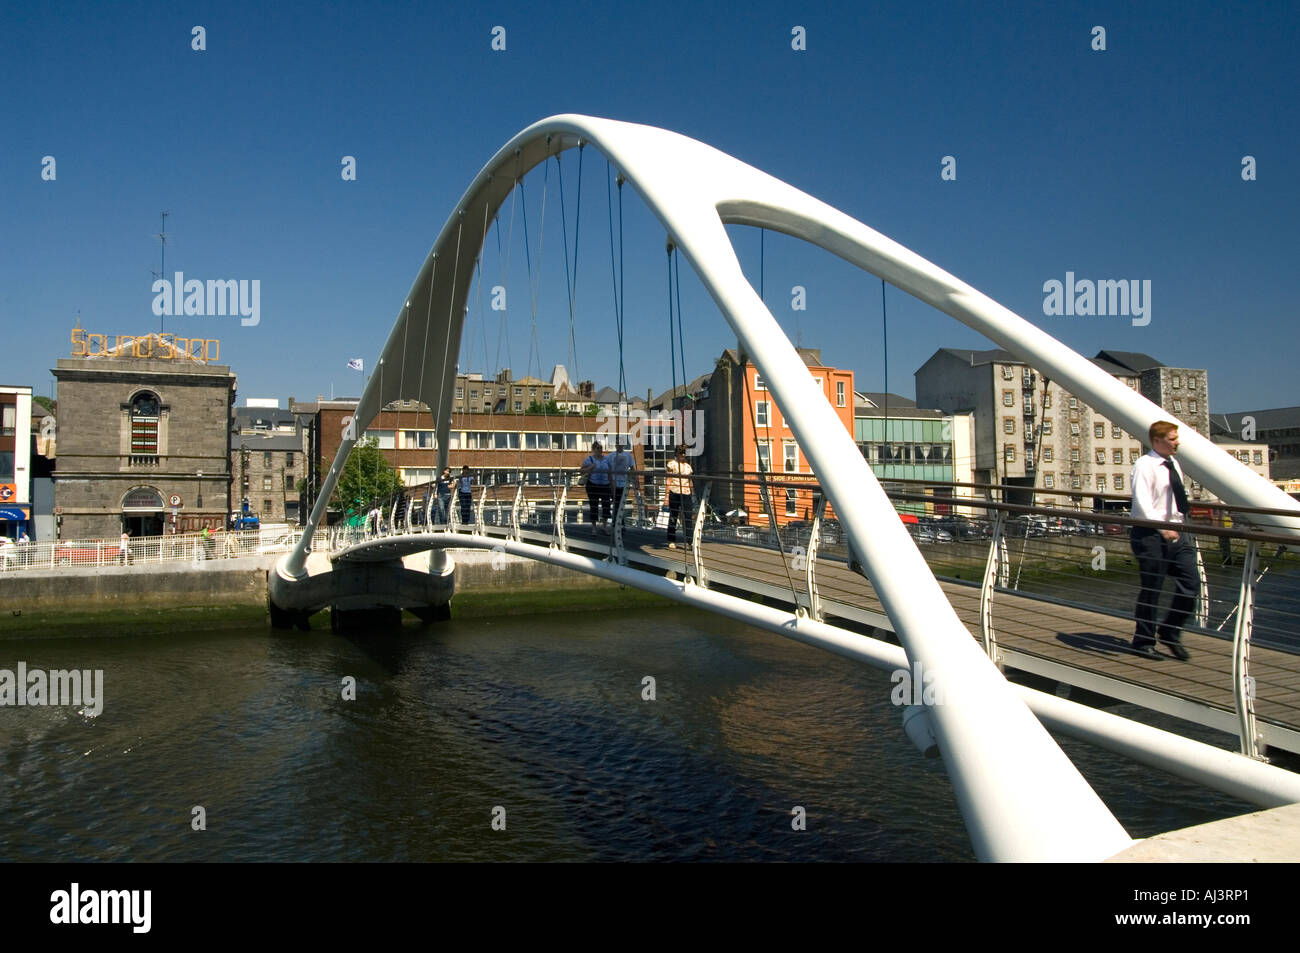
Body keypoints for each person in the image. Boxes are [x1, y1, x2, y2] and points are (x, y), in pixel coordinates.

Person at [1129, 421, 1197, 661]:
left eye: (1176, 438)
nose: (1177, 442)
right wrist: (1163, 528)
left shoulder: (1173, 464)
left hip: (1177, 534)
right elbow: (1142, 503)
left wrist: (1177, 525)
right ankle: (1142, 641)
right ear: (1157, 441)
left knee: (1191, 584)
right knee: (1152, 588)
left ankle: (1169, 631)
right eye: (1172, 438)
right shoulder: (1144, 465)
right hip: (1150, 535)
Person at [665, 445, 694, 549]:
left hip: (686, 493)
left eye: (684, 453)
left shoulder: (688, 467)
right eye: (681, 453)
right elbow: (669, 480)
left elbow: (690, 481)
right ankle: (671, 540)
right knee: (673, 516)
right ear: (677, 454)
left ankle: (690, 542)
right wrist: (666, 497)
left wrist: (692, 493)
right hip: (674, 492)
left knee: (688, 517)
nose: (683, 455)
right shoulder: (671, 464)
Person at [580, 442, 613, 531]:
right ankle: (594, 527)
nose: (599, 450)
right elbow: (581, 471)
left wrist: (612, 486)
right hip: (592, 485)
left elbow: (610, 474)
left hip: (605, 485)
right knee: (593, 505)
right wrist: (591, 467)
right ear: (593, 449)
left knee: (606, 505)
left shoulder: (607, 459)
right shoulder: (589, 459)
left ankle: (604, 525)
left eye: (601, 448)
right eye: (597, 448)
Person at [607, 442, 637, 524]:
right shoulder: (610, 456)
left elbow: (632, 469)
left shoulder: (628, 455)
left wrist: (636, 481)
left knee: (620, 504)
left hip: (623, 484)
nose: (619, 446)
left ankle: (618, 522)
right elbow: (608, 470)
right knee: (615, 503)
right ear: (615, 445)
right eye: (618, 444)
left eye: (621, 444)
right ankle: (618, 522)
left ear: (623, 445)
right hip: (613, 484)